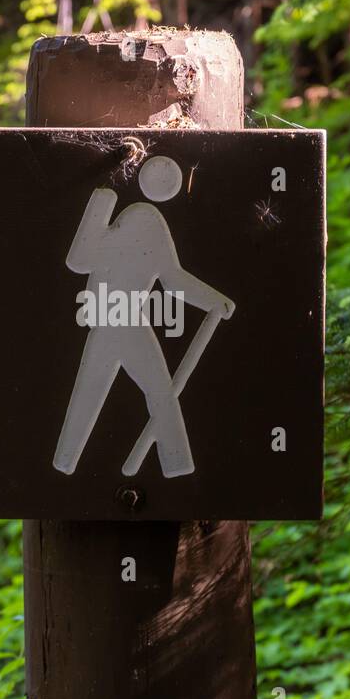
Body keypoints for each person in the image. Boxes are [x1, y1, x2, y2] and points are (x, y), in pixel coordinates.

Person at [53, 155, 234, 478]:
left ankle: (175, 464)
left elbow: (173, 279)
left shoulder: (149, 228)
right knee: (113, 392)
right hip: (110, 321)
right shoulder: (112, 233)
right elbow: (79, 261)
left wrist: (213, 300)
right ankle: (173, 463)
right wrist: (101, 201)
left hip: (125, 323)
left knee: (146, 392)